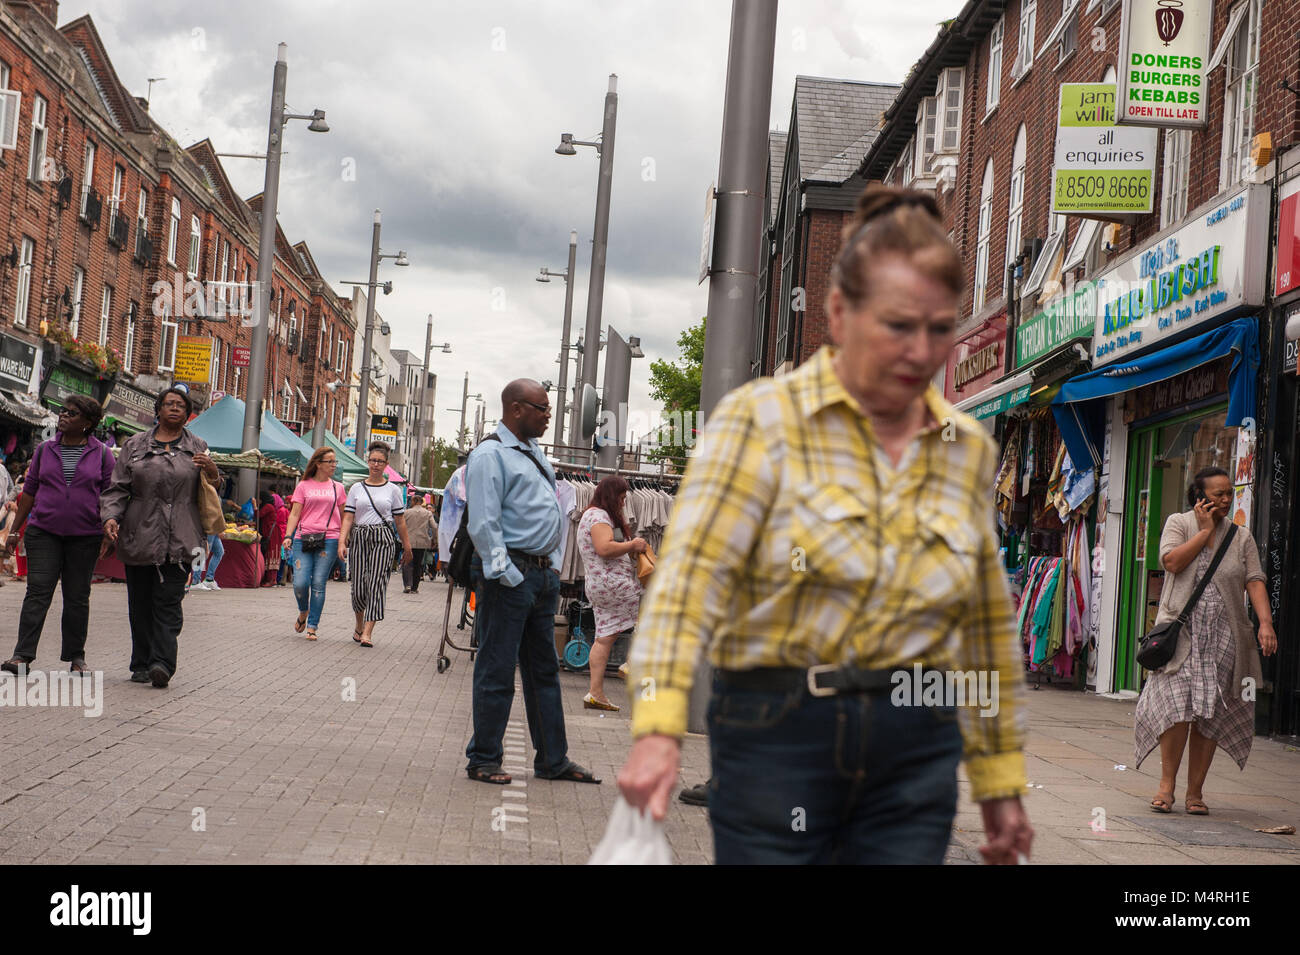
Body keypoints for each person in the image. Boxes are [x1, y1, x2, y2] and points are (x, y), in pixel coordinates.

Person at [617, 185, 1033, 865]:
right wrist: (659, 727)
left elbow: (983, 626)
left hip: (916, 742)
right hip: (777, 734)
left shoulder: (966, 447)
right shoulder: (760, 422)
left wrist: (1000, 779)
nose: (920, 350)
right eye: (897, 325)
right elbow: (685, 590)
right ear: (839, 312)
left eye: (939, 328)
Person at [464, 379, 600, 786]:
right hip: (511, 575)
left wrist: (552, 567)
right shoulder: (490, 455)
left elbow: (550, 511)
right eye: (542, 408)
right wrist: (506, 573)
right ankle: (483, 758)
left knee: (544, 671)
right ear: (516, 409)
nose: (548, 415)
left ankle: (553, 760)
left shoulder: (534, 452)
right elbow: (484, 523)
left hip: (541, 576)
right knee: (497, 668)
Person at [1134, 467, 1277, 814]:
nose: (1226, 499)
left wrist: (1265, 623)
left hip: (1225, 636)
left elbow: (1254, 579)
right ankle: (1166, 786)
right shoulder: (1179, 523)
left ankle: (1195, 793)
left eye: (1229, 493)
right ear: (1199, 497)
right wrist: (1204, 531)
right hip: (1181, 635)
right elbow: (1172, 562)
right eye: (1218, 494)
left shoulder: (1241, 537)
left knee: (1211, 712)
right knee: (1176, 708)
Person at [102, 386, 221, 688]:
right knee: (140, 604)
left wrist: (212, 471)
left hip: (182, 536)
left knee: (169, 603)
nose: (174, 408)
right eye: (169, 403)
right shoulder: (134, 445)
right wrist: (111, 516)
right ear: (158, 409)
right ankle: (141, 663)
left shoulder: (198, 446)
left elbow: (211, 489)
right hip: (140, 533)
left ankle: (162, 664)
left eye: (180, 405)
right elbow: (118, 488)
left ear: (187, 413)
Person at [0, 396, 116, 675]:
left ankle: (76, 658)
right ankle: (22, 656)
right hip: (44, 532)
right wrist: (14, 531)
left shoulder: (102, 454)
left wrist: (109, 529)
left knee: (77, 596)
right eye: (63, 411)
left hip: (85, 535)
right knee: (37, 592)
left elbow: (111, 496)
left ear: (88, 422)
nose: (63, 416)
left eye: (72, 413)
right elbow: (29, 492)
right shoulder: (45, 450)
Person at [576, 476, 646, 711]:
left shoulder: (591, 514)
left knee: (604, 637)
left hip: (599, 585)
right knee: (649, 618)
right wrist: (633, 545)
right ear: (611, 496)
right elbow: (604, 548)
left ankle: (595, 694)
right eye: (622, 498)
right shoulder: (599, 517)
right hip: (613, 584)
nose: (623, 503)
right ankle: (631, 664)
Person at [339, 442, 412, 647]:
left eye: (380, 461)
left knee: (376, 583)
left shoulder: (393, 490)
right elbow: (348, 517)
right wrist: (342, 541)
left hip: (383, 537)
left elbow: (400, 521)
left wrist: (407, 546)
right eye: (372, 460)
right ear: (368, 462)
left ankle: (368, 632)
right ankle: (359, 624)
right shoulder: (356, 488)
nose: (376, 465)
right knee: (358, 586)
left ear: (386, 464)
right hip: (360, 536)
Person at [282, 447, 346, 641]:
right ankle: (304, 611)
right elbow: (295, 513)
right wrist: (288, 535)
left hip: (330, 538)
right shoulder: (303, 486)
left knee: (318, 583)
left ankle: (312, 626)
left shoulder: (338, 487)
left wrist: (343, 539)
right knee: (300, 583)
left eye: (335, 462)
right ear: (318, 464)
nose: (334, 465)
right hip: (303, 537)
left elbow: (345, 516)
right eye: (330, 462)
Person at [402, 496, 434, 594]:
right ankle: (414, 588)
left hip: (408, 542)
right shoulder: (428, 513)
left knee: (407, 563)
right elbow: (434, 527)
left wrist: (401, 539)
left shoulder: (406, 512)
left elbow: (401, 525)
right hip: (422, 542)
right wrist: (434, 539)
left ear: (414, 501)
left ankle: (408, 585)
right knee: (418, 564)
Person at [258, 490, 283, 587]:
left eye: (259, 499)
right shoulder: (268, 506)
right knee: (269, 554)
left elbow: (258, 514)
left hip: (272, 534)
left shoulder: (268, 506)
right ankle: (269, 579)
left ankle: (272, 580)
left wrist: (255, 506)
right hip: (270, 533)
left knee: (272, 554)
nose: (259, 501)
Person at [274, 487, 291, 586]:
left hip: (282, 536)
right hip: (286, 535)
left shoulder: (281, 511)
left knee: (282, 559)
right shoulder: (286, 511)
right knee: (284, 559)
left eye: (288, 503)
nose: (286, 504)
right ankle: (282, 579)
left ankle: (279, 578)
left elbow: (279, 523)